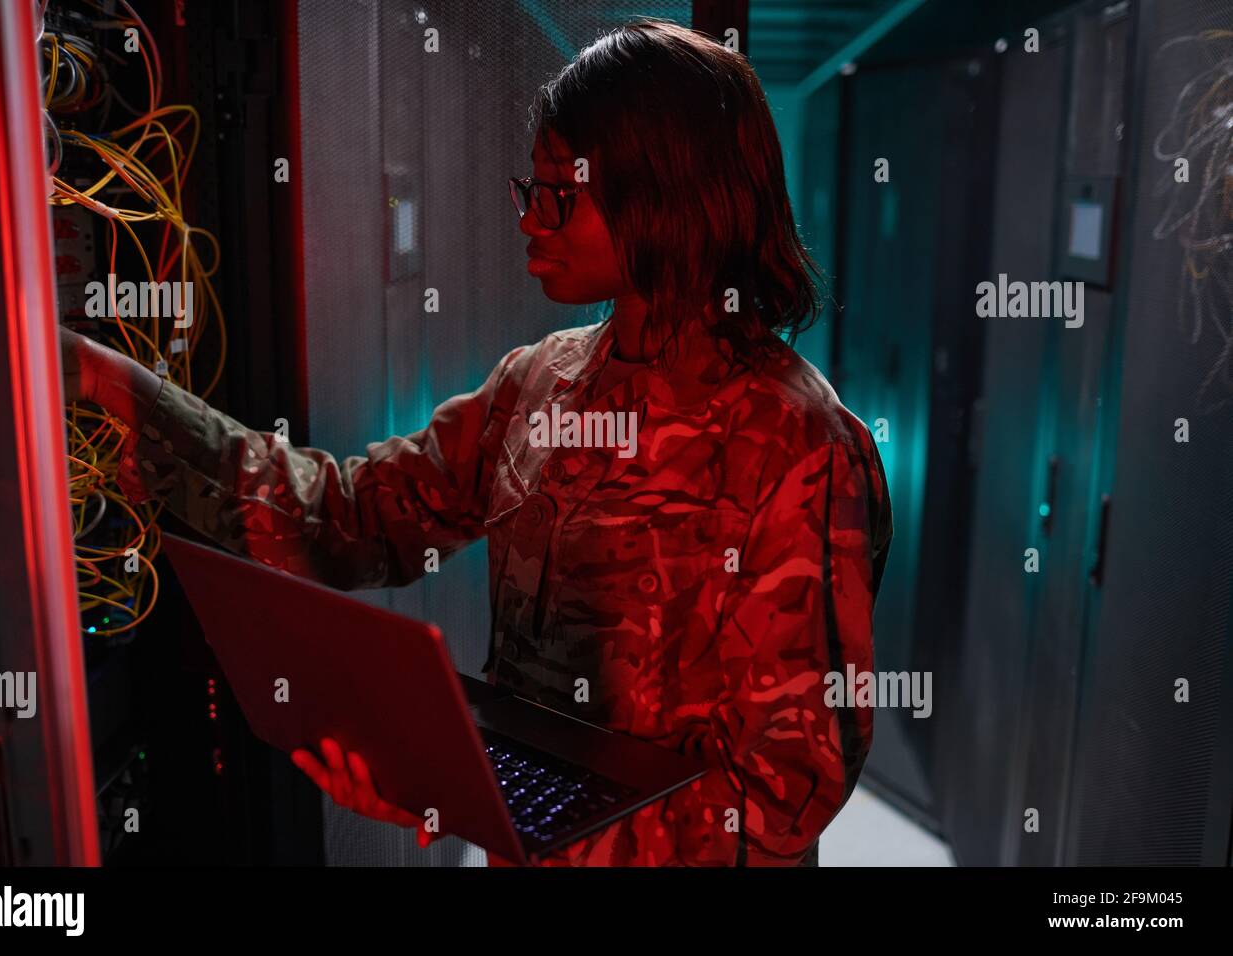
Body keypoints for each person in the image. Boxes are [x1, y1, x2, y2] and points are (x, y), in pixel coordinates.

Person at [62, 18, 892, 867]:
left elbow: (778, 798)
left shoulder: (800, 447)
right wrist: (115, 389)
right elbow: (347, 519)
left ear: (663, 201)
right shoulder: (536, 385)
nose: (529, 221)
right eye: (525, 190)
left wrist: (506, 816)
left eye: (557, 195)